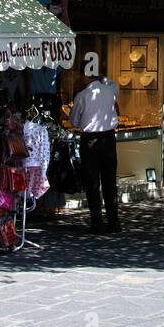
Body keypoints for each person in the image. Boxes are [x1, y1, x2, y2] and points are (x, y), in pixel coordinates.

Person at [68, 69, 121, 234]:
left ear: (85, 75)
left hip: (90, 139)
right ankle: (113, 221)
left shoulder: (82, 95)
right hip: (108, 139)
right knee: (109, 181)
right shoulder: (110, 90)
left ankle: (97, 222)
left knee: (92, 182)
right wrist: (104, 79)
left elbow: (74, 120)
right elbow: (114, 85)